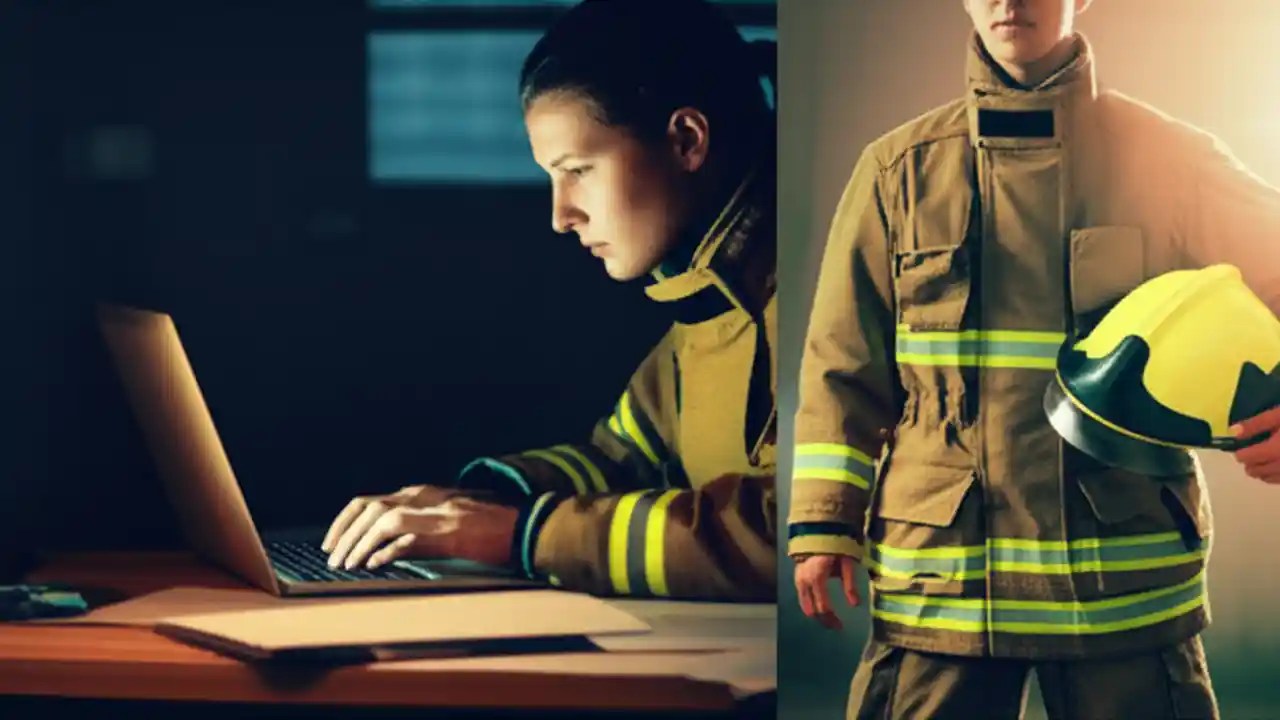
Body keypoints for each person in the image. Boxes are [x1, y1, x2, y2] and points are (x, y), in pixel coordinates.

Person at [788, 0, 1280, 717]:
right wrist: (825, 520)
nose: (1010, 1)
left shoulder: (1171, 160)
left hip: (1125, 586)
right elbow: (842, 365)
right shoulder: (897, 172)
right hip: (945, 587)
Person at [322, 0, 779, 602]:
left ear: (686, 140)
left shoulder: (814, 295)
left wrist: (523, 536)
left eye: (579, 170)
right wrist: (474, 505)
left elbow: (787, 530)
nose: (561, 216)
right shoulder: (705, 305)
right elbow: (623, 462)